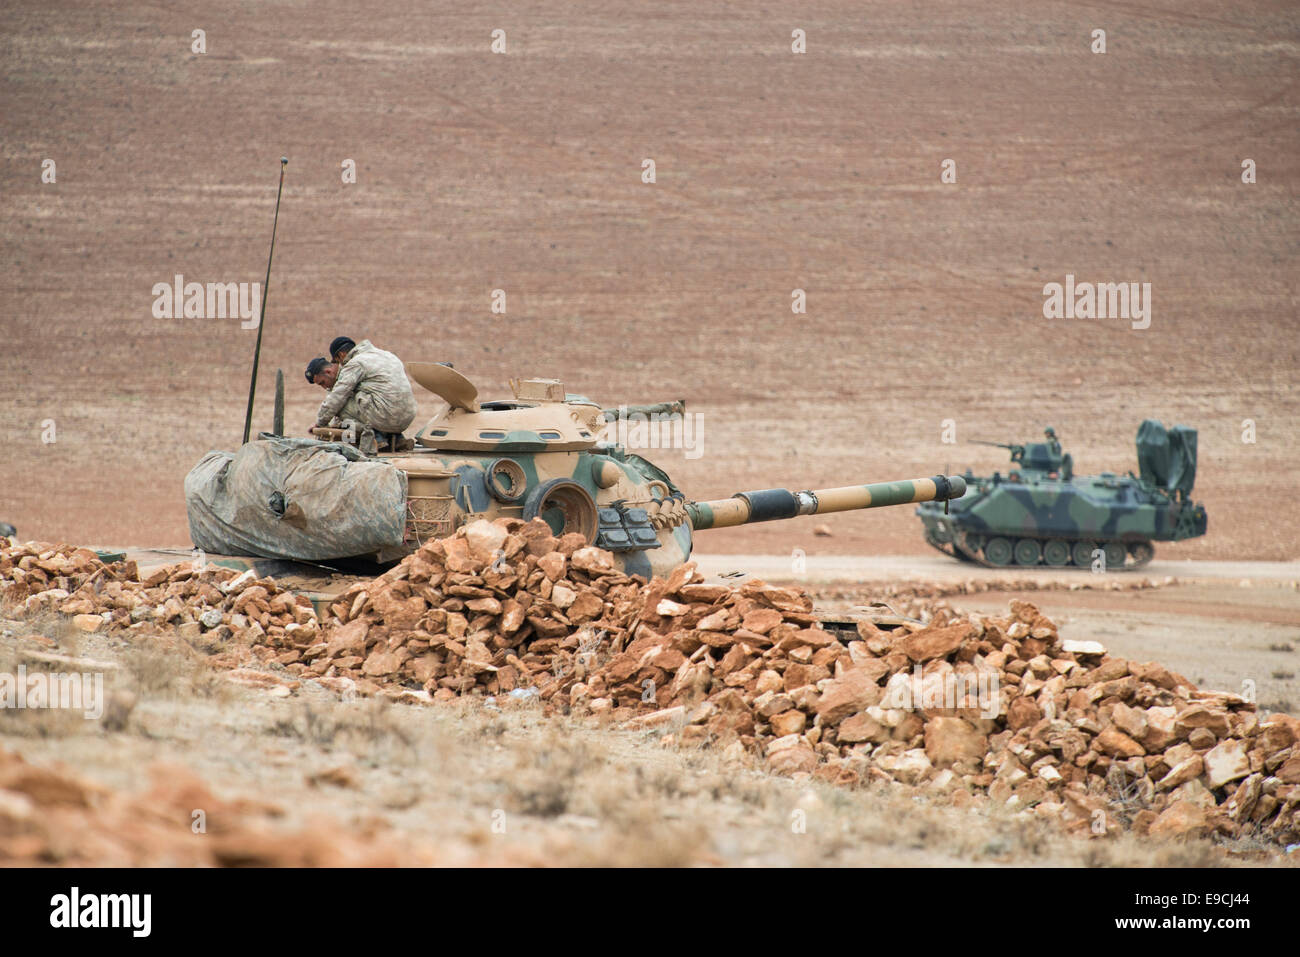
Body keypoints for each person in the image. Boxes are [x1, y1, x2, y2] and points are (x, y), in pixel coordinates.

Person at [314, 336, 417, 452]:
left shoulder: (355, 363)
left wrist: (320, 423)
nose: (340, 365)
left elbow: (337, 397)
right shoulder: (387, 355)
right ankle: (397, 439)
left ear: (341, 355)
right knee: (371, 398)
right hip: (407, 417)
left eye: (338, 361)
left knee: (342, 404)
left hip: (385, 415)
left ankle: (375, 438)